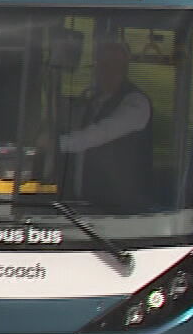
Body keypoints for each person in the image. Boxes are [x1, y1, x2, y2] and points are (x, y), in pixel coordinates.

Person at [49, 39, 153, 212]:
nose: (107, 72)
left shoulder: (136, 103)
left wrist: (58, 144)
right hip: (82, 204)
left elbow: (102, 132)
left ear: (124, 69)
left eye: (114, 66)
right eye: (102, 65)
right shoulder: (93, 100)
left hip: (120, 210)